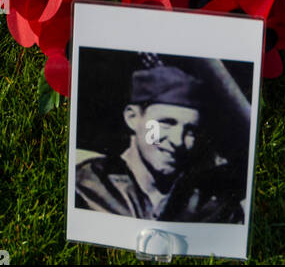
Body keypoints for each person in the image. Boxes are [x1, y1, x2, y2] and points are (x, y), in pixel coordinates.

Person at [74, 62, 246, 222]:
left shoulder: (211, 207)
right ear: (132, 118)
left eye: (191, 130)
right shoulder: (87, 187)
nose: (178, 140)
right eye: (166, 123)